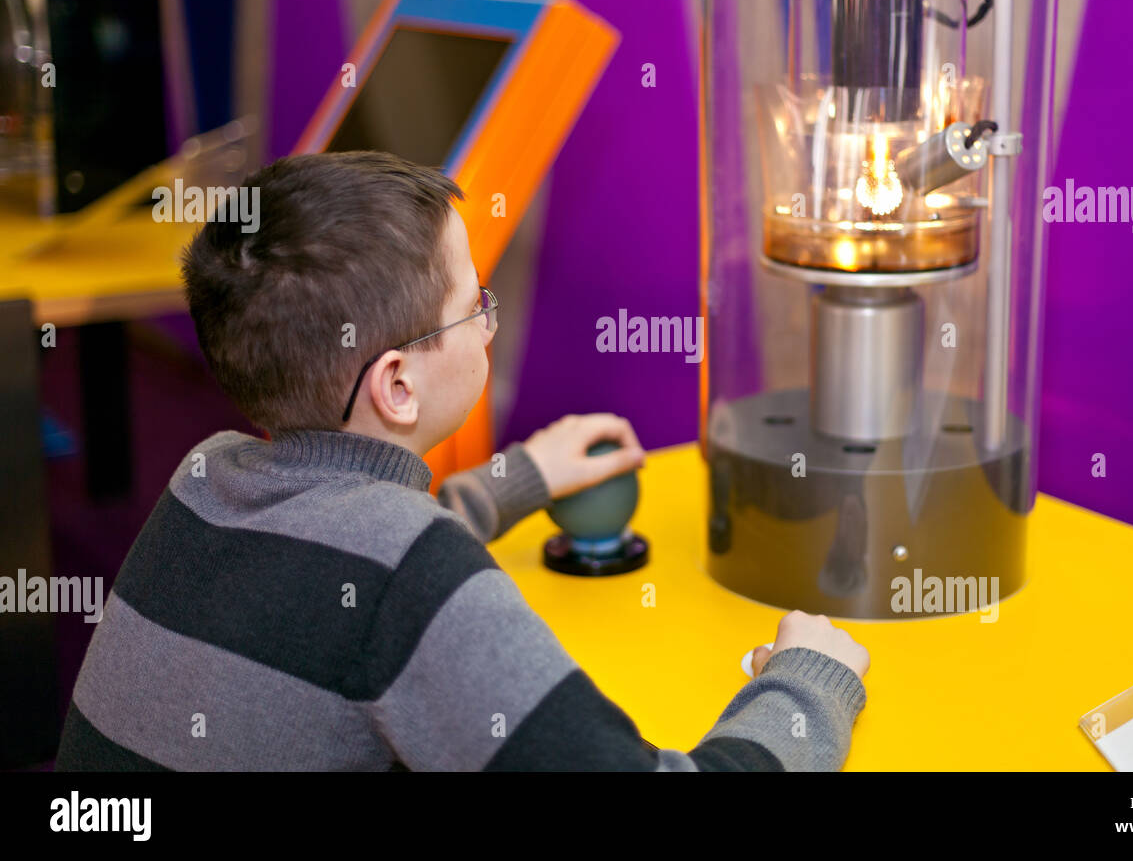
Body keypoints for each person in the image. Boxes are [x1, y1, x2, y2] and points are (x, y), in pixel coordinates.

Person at [56, 151, 869, 771]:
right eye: (473, 303)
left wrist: (517, 481)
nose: (487, 325)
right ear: (398, 384)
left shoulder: (204, 473)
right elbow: (388, 574)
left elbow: (336, 571)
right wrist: (807, 682)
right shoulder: (407, 570)